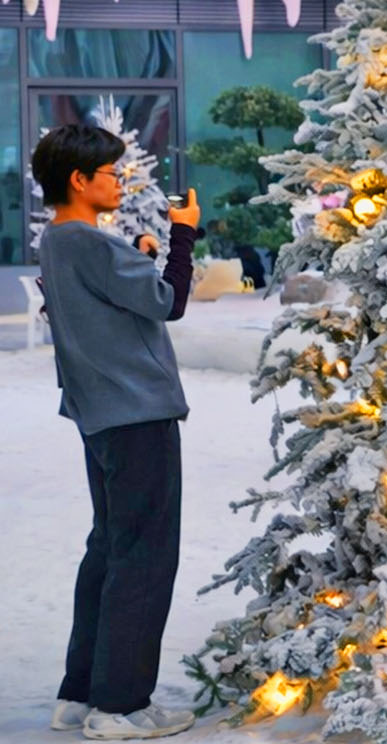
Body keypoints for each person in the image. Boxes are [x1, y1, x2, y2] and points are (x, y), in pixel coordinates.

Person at [35, 126, 202, 741]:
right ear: (79, 180)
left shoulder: (57, 241)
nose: (120, 182)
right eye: (111, 173)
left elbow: (106, 295)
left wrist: (137, 250)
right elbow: (168, 301)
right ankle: (120, 706)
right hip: (137, 415)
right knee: (144, 559)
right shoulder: (91, 244)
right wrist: (183, 233)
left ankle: (81, 693)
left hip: (100, 414)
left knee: (110, 550)